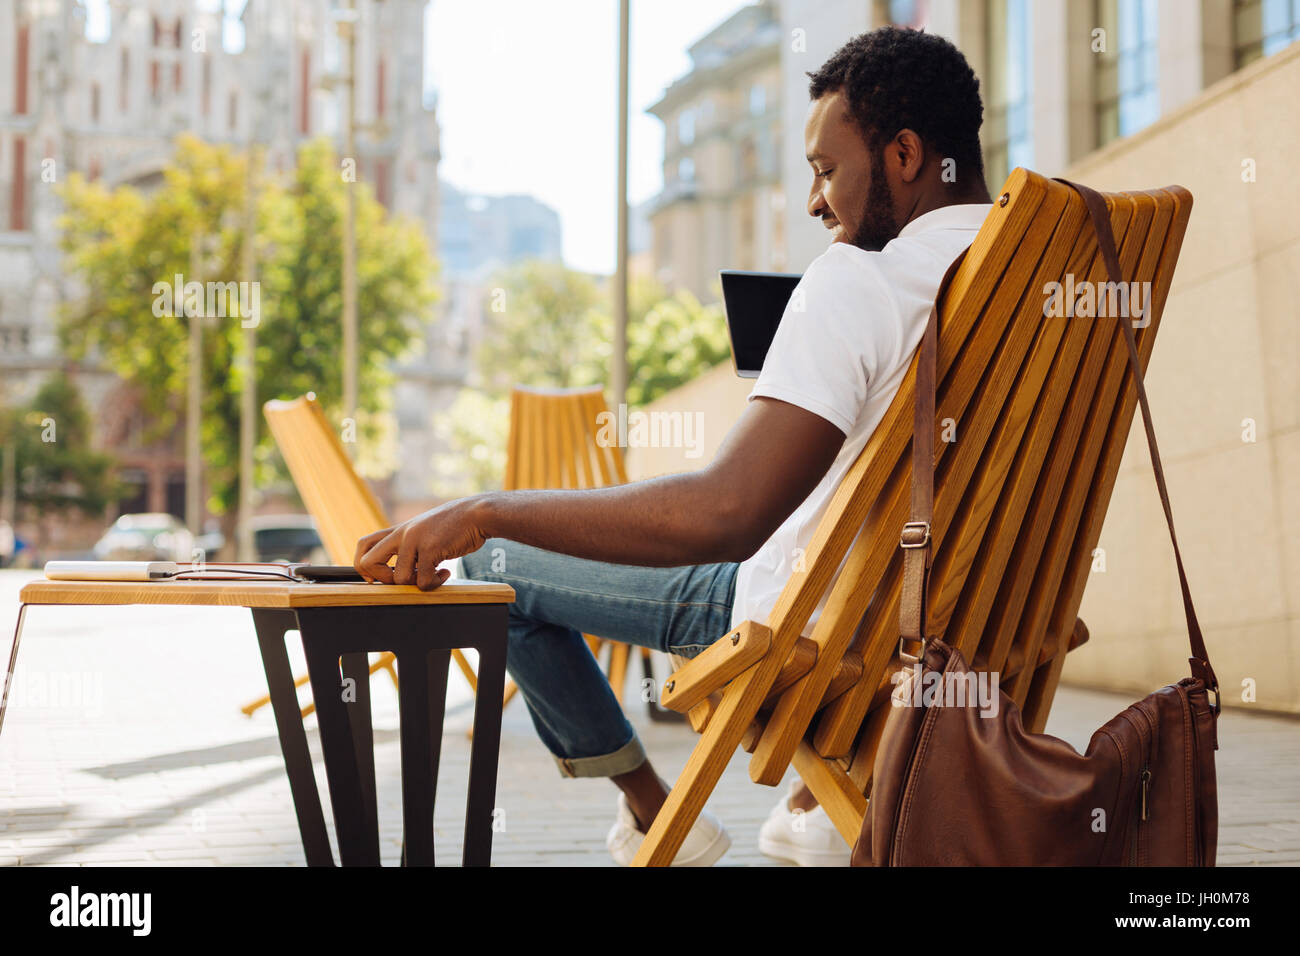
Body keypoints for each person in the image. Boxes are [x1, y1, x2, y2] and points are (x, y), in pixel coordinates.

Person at [355, 26, 994, 866]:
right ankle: (818, 800)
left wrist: (482, 512)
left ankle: (660, 814)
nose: (814, 203)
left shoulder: (857, 280)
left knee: (494, 566)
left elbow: (724, 515)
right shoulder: (1026, 278)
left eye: (825, 170)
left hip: (809, 634)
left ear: (905, 154)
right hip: (968, 627)